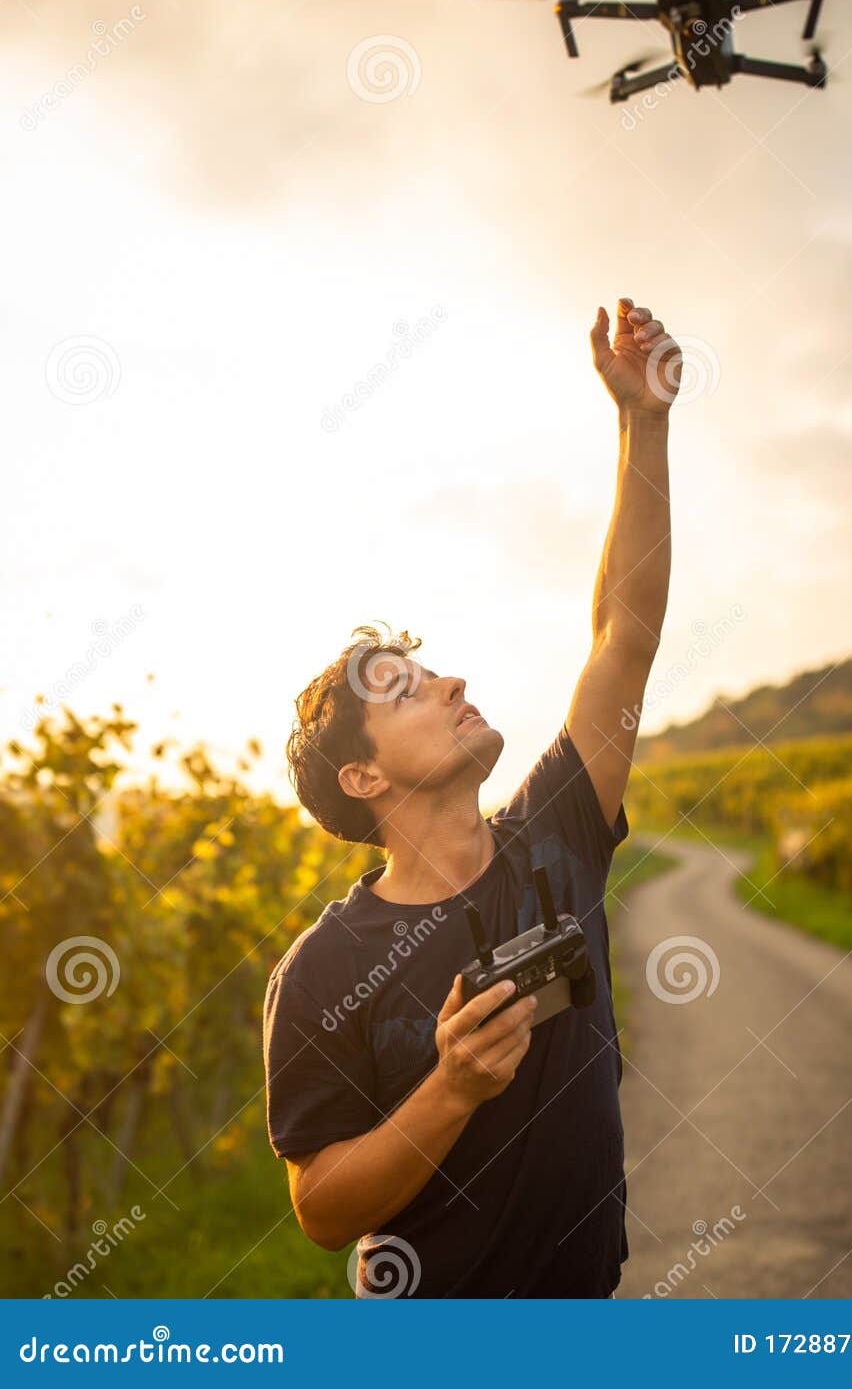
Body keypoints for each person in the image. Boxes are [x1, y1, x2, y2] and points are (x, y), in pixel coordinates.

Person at [263, 297, 680, 1297]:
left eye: (432, 670)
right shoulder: (322, 968)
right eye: (407, 692)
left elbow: (622, 637)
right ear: (363, 778)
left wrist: (642, 422)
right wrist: (451, 1088)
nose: (450, 682)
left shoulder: (557, 833)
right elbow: (322, 1210)